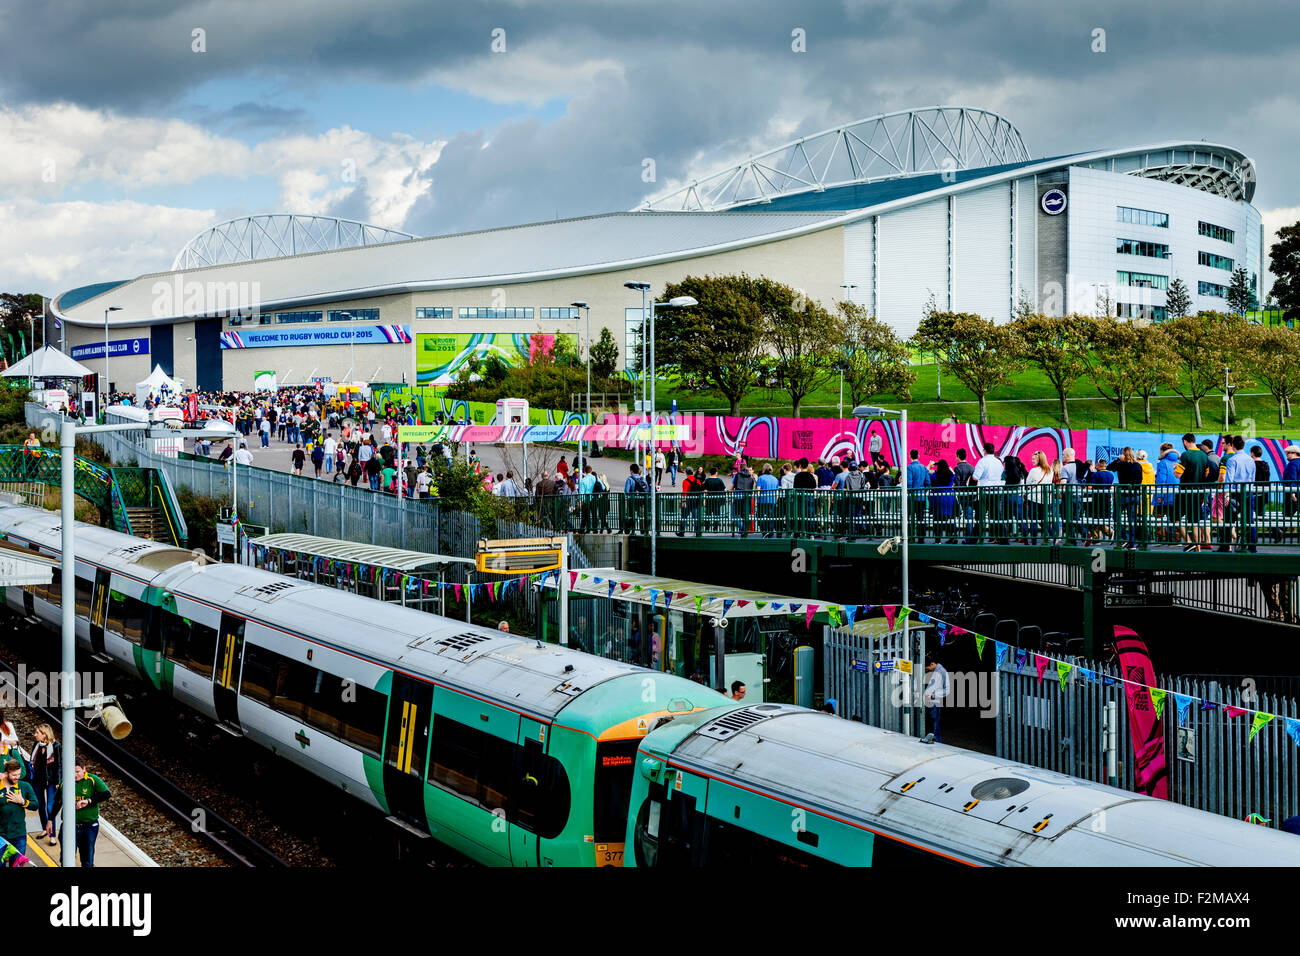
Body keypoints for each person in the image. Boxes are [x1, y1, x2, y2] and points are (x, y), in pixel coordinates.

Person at [53, 758, 110, 867]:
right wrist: (50, 820)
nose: (75, 775)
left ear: (84, 769)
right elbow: (57, 802)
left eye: (78, 771)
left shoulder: (92, 780)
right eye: (72, 772)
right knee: (66, 859)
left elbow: (106, 794)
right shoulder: (65, 782)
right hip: (69, 825)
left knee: (87, 859)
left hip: (88, 827)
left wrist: (89, 801)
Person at [1178, 433, 1213, 551]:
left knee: (1175, 517)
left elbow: (1178, 474)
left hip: (1185, 492)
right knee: (1195, 521)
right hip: (1199, 492)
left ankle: (1188, 542)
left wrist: (1175, 468)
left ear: (1184, 442)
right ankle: (1197, 548)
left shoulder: (1185, 455)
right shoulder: (1204, 455)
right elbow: (1207, 473)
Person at [31, 723, 59, 846]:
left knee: (50, 807)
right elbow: (33, 762)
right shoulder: (36, 745)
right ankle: (44, 828)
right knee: (40, 805)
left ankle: (52, 835)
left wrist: (58, 781)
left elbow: (58, 765)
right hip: (38, 780)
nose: (35, 735)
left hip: (51, 780)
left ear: (44, 734)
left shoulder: (55, 746)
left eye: (37, 733)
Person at [0, 759, 35, 857]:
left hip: (19, 835)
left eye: (19, 774)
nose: (17, 777)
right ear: (6, 774)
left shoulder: (25, 786)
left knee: (17, 864)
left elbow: (35, 805)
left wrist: (22, 801)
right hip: (1, 836)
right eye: (14, 775)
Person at [923, 654, 950, 743]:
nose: (926, 670)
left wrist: (933, 695)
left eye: (927, 668)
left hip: (935, 702)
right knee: (932, 724)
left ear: (932, 664)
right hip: (930, 702)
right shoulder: (934, 671)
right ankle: (932, 741)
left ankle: (937, 743)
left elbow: (947, 690)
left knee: (935, 725)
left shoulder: (942, 672)